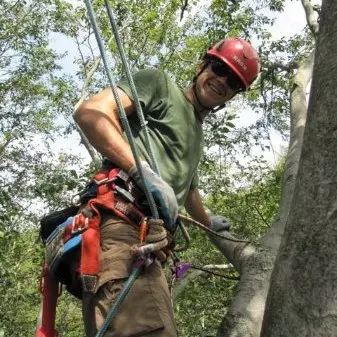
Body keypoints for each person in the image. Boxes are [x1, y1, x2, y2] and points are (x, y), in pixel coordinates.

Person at [74, 37, 260, 337]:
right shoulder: (159, 84)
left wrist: (208, 221)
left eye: (233, 82)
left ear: (235, 94)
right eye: (218, 68)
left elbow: (188, 192)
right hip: (123, 224)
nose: (221, 80)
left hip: (151, 243)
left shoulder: (196, 135)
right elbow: (90, 113)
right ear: (201, 65)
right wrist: (139, 170)